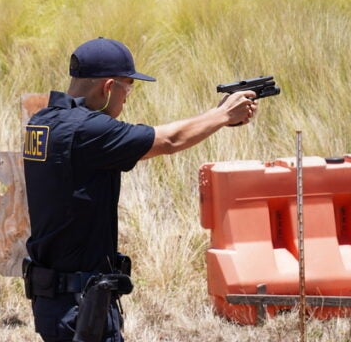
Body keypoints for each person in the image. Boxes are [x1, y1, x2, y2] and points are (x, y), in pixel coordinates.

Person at [22, 37, 257, 342]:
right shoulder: (88, 131)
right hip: (79, 303)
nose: (128, 97)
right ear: (108, 87)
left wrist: (215, 116)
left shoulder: (44, 121)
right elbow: (168, 141)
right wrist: (224, 115)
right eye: (128, 87)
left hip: (57, 298)